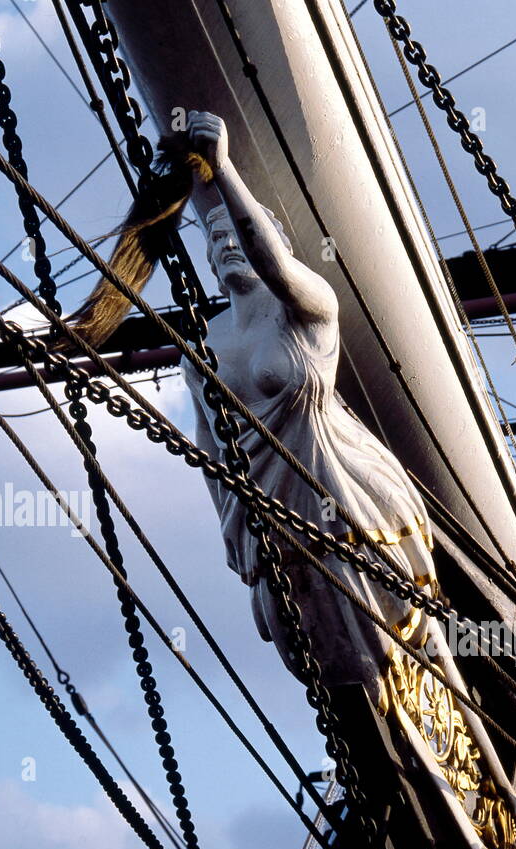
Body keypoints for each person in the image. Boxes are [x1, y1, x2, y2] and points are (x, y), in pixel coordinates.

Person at [184, 110, 437, 688]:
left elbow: (272, 260)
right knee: (325, 656)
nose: (225, 245)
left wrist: (221, 169)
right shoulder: (205, 345)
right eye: (213, 240)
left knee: (389, 636)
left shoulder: (308, 305)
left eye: (235, 235)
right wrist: (232, 526)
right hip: (272, 517)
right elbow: (209, 449)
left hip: (347, 494)